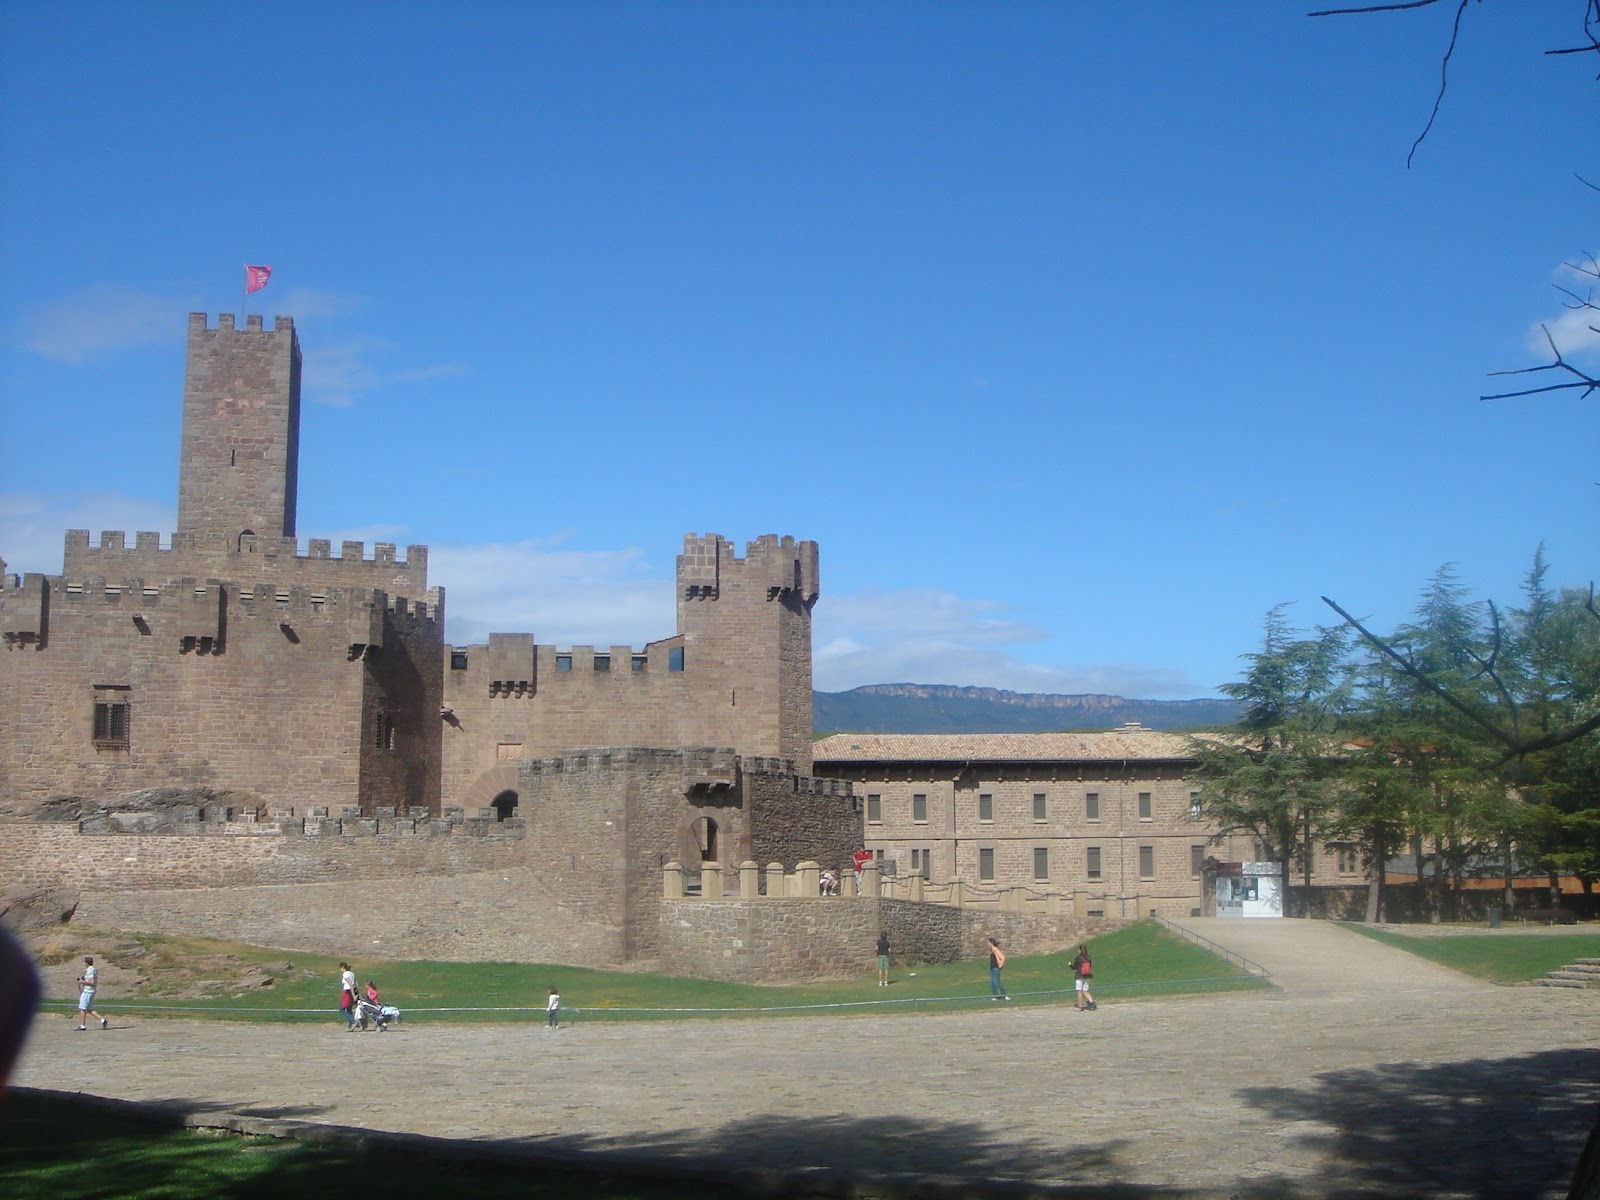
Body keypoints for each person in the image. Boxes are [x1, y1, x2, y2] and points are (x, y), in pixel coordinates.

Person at [75, 956, 107, 1030]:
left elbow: (91, 981)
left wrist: (82, 982)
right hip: (91, 990)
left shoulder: (90, 970)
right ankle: (103, 1020)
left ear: (86, 963)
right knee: (89, 1009)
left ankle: (82, 1025)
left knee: (82, 1007)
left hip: (88, 991)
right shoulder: (94, 969)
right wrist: (84, 980)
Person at [1071, 943, 1096, 1011]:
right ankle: (1092, 1003)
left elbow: (1074, 967)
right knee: (1085, 991)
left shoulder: (1078, 958)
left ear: (1080, 950)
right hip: (1087, 976)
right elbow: (1090, 965)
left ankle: (1080, 1006)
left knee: (1079, 991)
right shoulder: (1088, 957)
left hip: (1080, 976)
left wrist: (1070, 965)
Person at [338, 962, 358, 1030]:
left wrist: (353, 994)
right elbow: (355, 984)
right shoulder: (352, 973)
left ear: (342, 968)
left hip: (347, 992)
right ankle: (350, 1025)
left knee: (342, 1009)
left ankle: (353, 1022)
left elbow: (350, 984)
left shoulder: (345, 974)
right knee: (349, 1008)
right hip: (351, 991)